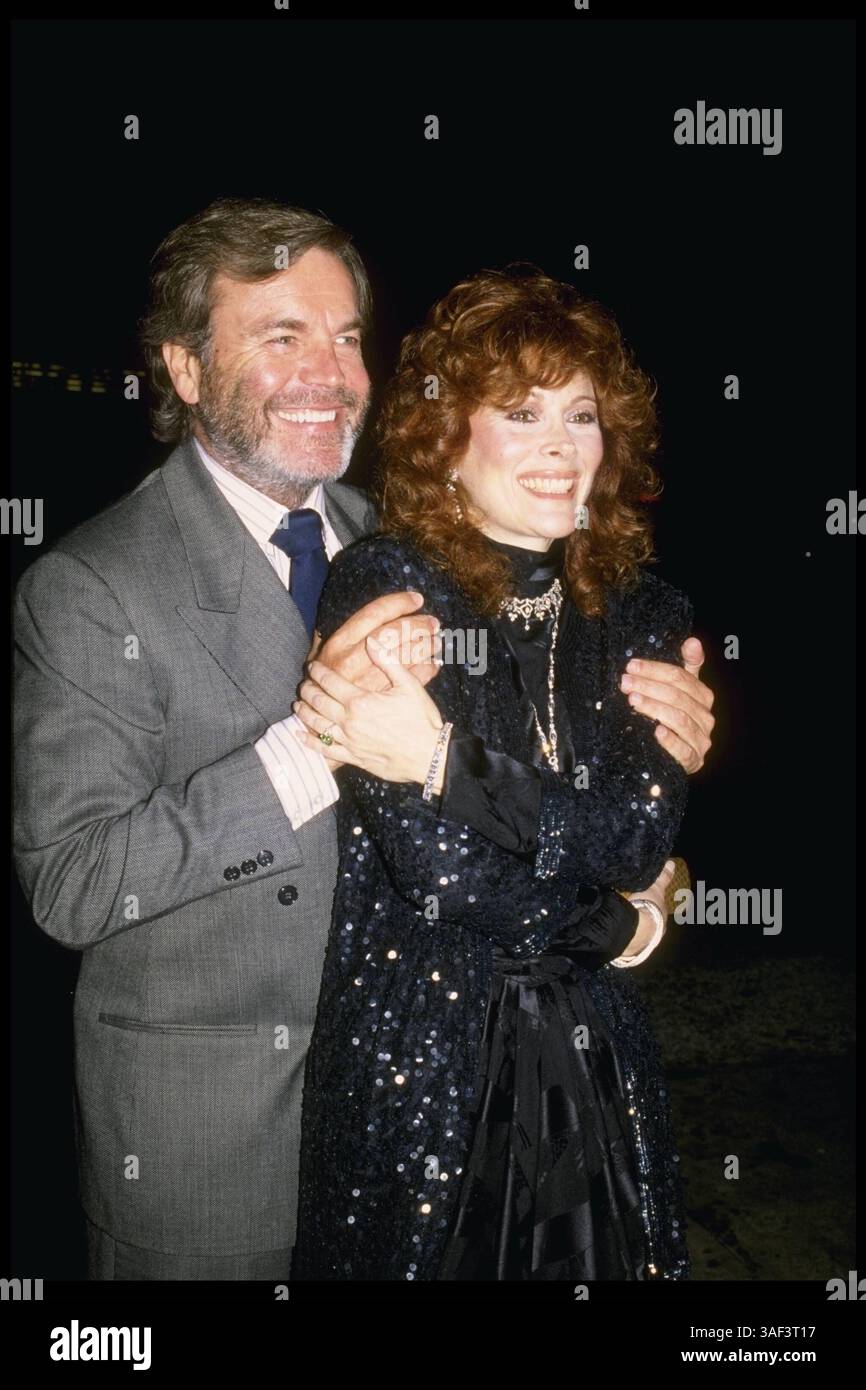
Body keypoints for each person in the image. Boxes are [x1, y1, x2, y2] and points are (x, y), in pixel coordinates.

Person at [12, 198, 713, 1280]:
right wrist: (311, 744)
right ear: (185, 371)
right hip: (216, 1144)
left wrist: (657, 832)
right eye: (279, 336)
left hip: (418, 1111)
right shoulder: (91, 585)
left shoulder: (405, 540)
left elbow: (542, 785)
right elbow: (73, 880)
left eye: (343, 338)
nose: (327, 372)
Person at [290, 265, 703, 1280]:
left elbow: (639, 836)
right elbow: (439, 874)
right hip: (421, 1050)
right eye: (520, 413)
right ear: (447, 438)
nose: (562, 449)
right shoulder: (383, 582)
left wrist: (439, 759)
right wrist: (624, 924)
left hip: (592, 1054)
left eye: (581, 414)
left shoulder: (642, 610)